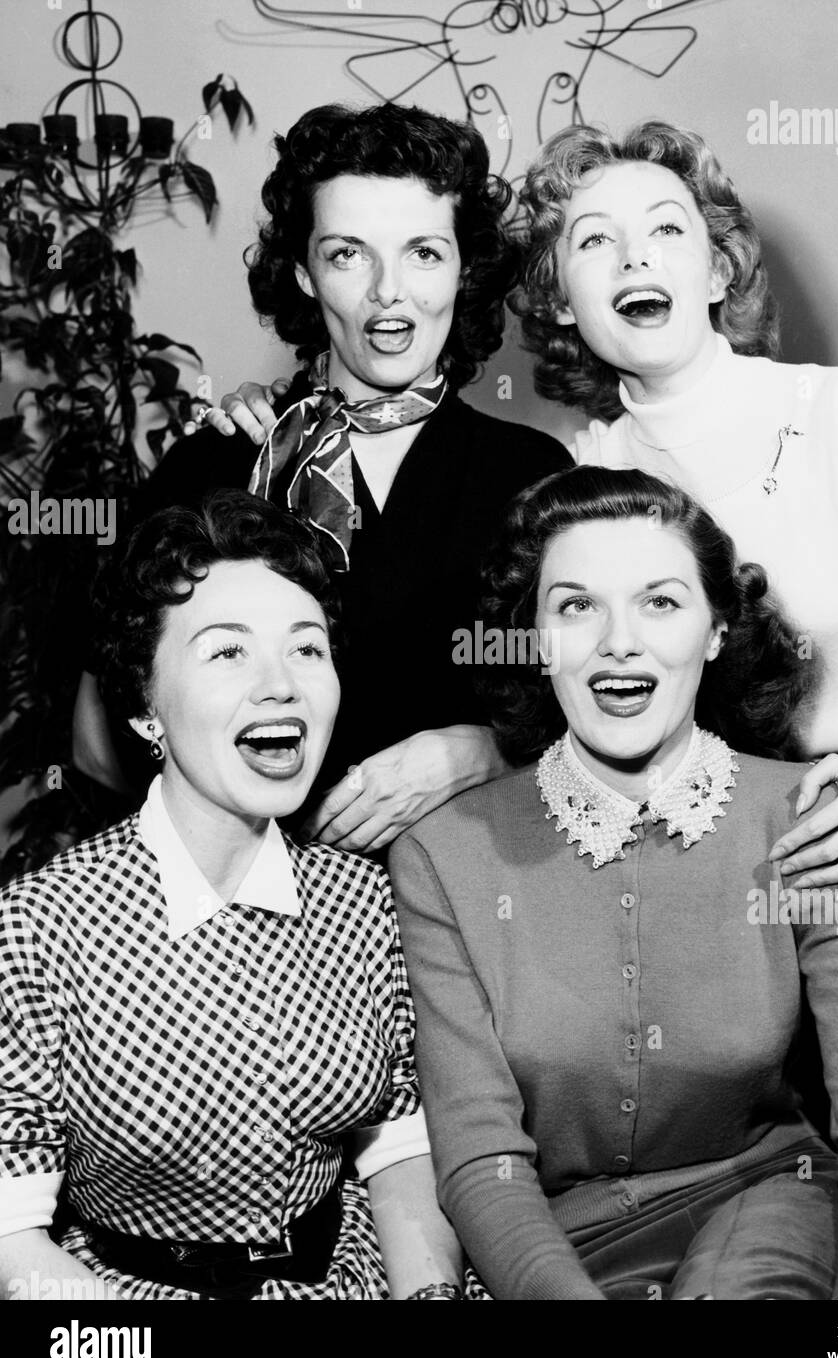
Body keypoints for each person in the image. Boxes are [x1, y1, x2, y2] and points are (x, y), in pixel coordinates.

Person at [510, 121, 838, 1276]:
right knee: (827, 1188)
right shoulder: (583, 492)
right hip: (748, 859)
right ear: (559, 299)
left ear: (718, 267)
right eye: (593, 240)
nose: (634, 257)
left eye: (666, 229)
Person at [387, 466, 838, 1301]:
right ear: (533, 637)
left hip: (769, 1200)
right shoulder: (442, 854)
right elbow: (479, 1159)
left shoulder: (820, 817)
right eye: (576, 606)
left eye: (661, 602)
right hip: (554, 1253)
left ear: (717, 630)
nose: (620, 641)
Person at [0, 493, 465, 1301]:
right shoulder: (38, 925)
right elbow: (13, 1243)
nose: (280, 686)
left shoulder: (364, 898)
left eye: (307, 650)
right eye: (228, 654)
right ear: (145, 704)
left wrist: (426, 1296)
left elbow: (396, 1153)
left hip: (346, 1274)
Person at [73, 103, 572, 853]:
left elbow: (594, 700)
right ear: (304, 273)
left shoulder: (530, 474)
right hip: (254, 916)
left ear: (464, 268)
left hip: (475, 899)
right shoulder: (214, 465)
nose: (388, 292)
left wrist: (483, 750)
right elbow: (101, 738)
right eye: (348, 254)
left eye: (423, 254)